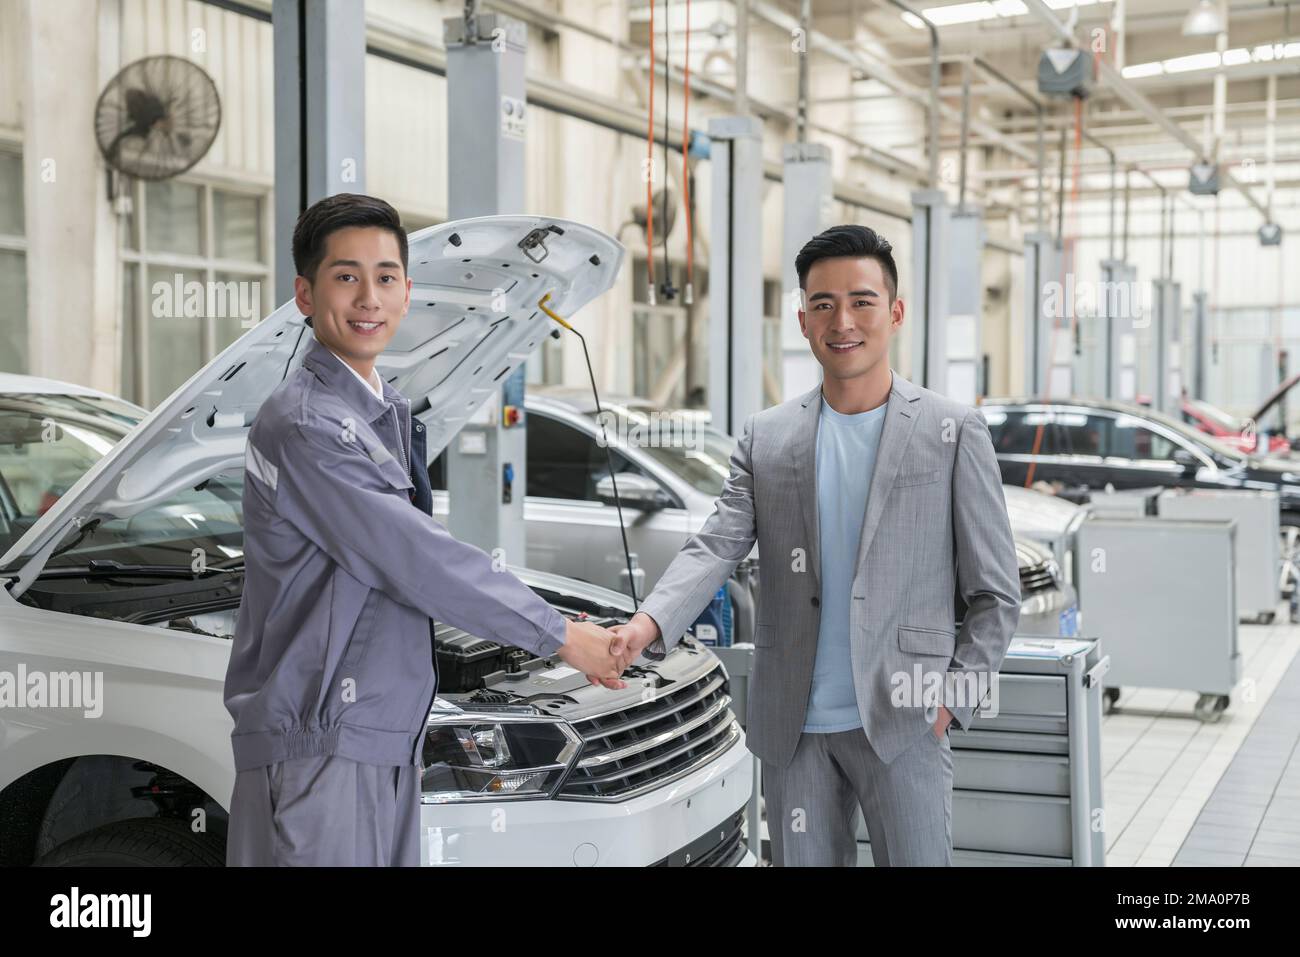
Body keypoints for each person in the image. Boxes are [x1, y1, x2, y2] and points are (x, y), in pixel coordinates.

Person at [224, 193, 624, 866]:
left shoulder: (376, 412)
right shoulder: (306, 424)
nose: (368, 297)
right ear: (304, 292)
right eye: (345, 276)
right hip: (322, 747)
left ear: (407, 292)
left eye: (384, 278)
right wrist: (558, 633)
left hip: (377, 737)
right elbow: (415, 557)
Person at [609, 224, 1020, 866]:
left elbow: (995, 592)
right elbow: (717, 542)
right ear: (802, 320)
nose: (843, 320)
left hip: (907, 719)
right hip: (793, 726)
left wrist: (951, 703)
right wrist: (645, 623)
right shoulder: (768, 437)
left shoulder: (952, 430)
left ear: (896, 312)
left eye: (862, 300)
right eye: (823, 303)